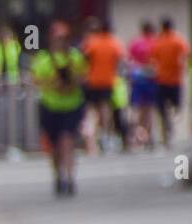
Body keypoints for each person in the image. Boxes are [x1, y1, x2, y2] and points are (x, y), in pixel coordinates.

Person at [31, 20, 87, 196]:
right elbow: (37, 81)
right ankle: (58, 176)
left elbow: (83, 77)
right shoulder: (43, 59)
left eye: (65, 38)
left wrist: (72, 81)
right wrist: (54, 83)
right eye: (58, 38)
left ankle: (70, 177)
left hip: (71, 105)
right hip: (51, 106)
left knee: (67, 141)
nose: (62, 42)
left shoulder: (75, 57)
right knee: (55, 147)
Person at [81, 18, 125, 153]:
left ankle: (90, 140)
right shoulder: (115, 43)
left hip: (91, 81)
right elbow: (120, 61)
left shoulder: (92, 43)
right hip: (108, 81)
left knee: (90, 111)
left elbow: (84, 59)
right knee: (105, 110)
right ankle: (105, 136)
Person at [151, 18, 190, 147]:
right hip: (175, 80)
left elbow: (153, 60)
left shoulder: (159, 42)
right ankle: (171, 125)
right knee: (175, 107)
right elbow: (185, 57)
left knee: (162, 109)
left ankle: (166, 132)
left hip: (161, 79)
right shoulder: (179, 41)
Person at [127, 21, 158, 149]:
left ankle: (137, 136)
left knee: (137, 109)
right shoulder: (156, 43)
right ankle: (149, 136)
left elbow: (129, 61)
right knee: (149, 109)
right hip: (151, 78)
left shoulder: (135, 43)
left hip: (138, 78)